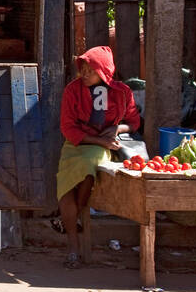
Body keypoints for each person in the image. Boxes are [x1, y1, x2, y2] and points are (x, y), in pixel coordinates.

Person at [57, 45, 140, 269]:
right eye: (82, 69)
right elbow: (68, 128)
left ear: (103, 72)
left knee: (88, 168)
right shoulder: (72, 91)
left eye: (90, 71)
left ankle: (73, 220)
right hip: (76, 144)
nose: (84, 74)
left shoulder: (122, 92)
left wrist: (117, 130)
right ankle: (73, 245)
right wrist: (98, 140)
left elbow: (134, 122)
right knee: (66, 187)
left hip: (98, 149)